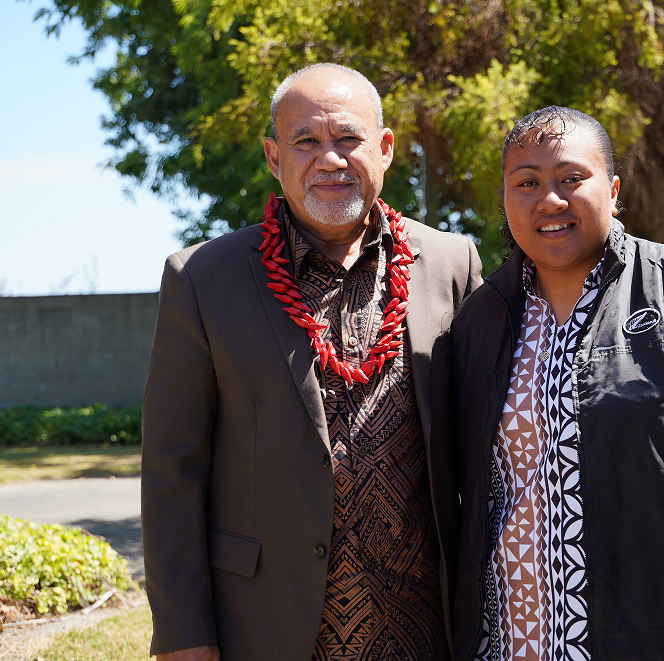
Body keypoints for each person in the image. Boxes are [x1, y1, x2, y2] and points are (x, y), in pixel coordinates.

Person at [141, 63, 482, 661]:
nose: (330, 159)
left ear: (384, 149)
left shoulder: (452, 264)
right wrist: (184, 634)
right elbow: (172, 471)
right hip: (266, 623)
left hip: (424, 625)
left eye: (348, 139)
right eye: (307, 141)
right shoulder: (202, 278)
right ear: (274, 157)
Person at [449, 106, 664, 661]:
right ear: (505, 199)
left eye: (571, 178)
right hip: (513, 645)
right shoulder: (479, 321)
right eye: (527, 183)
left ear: (612, 190)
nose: (550, 200)